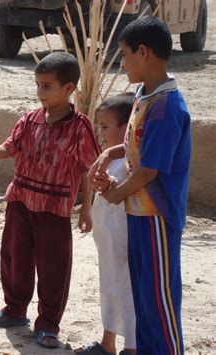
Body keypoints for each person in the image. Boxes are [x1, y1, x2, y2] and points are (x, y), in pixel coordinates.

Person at [0, 52, 101, 349]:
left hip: (54, 210)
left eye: (47, 86)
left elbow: (91, 169)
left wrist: (87, 209)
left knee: (53, 269)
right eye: (37, 85)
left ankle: (47, 325)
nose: (40, 92)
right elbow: (9, 148)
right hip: (20, 201)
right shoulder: (29, 119)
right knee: (14, 258)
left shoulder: (79, 127)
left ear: (68, 88)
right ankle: (14, 309)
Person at [89, 15, 190, 354]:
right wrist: (110, 154)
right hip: (139, 215)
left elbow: (149, 170)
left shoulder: (165, 106)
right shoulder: (145, 95)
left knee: (159, 305)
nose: (122, 63)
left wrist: (115, 193)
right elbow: (137, 147)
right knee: (145, 299)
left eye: (124, 54)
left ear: (144, 52)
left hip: (157, 218)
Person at [75, 93, 136, 355]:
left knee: (128, 291)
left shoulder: (133, 163)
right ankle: (107, 342)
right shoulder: (109, 157)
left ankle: (132, 347)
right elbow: (94, 186)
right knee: (109, 286)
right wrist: (87, 211)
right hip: (107, 239)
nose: (101, 133)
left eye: (105, 127)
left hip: (125, 241)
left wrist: (112, 188)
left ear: (126, 128)